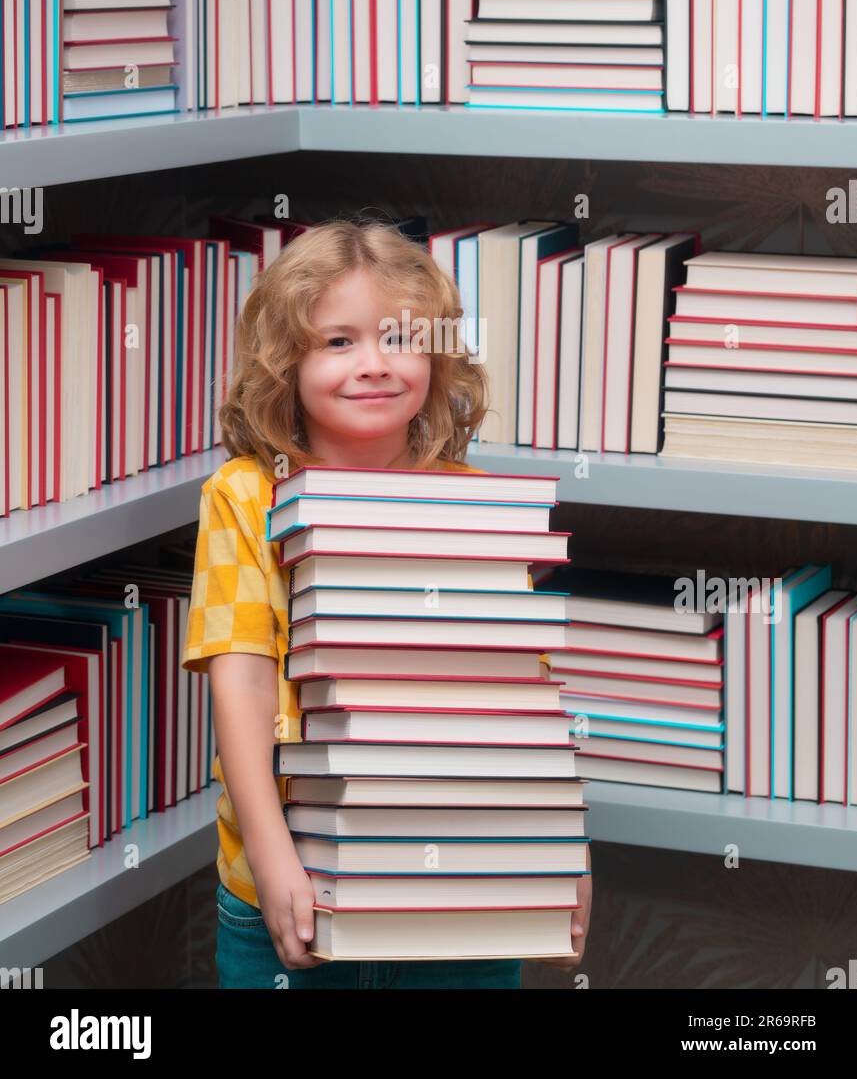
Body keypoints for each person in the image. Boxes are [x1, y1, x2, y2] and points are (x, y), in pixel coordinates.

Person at [181, 217, 592, 989]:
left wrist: (560, 848)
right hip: (293, 883)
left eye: (400, 338)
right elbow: (239, 681)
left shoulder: (473, 503)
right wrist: (273, 865)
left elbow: (518, 697)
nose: (373, 365)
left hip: (464, 890)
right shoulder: (244, 496)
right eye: (338, 342)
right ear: (286, 364)